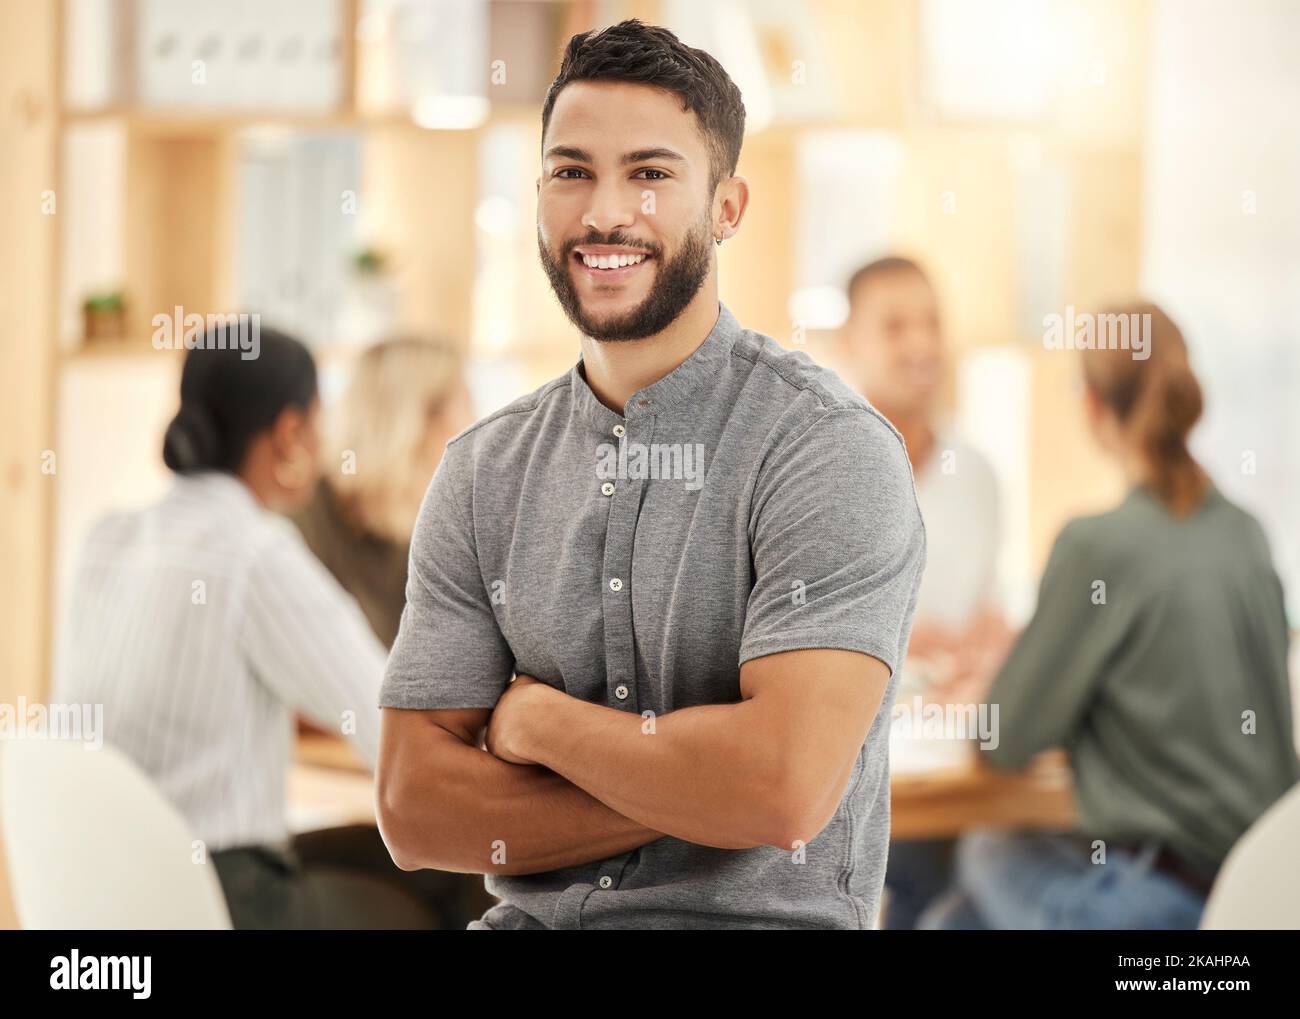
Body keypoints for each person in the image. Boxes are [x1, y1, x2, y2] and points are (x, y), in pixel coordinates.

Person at [375, 19, 927, 930]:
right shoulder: (482, 471)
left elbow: (784, 789)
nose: (605, 212)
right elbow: (413, 807)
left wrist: (539, 726)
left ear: (727, 207)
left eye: (651, 173)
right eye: (572, 171)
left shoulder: (826, 448)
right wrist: (703, 788)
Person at [52, 326, 460, 929]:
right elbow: (389, 726)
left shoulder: (106, 537)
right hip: (222, 898)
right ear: (291, 433)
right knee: (458, 882)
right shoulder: (254, 551)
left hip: (100, 889)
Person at [919, 302, 1300, 929]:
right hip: (1256, 900)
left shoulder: (1098, 545)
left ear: (1093, 408)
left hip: (1153, 909)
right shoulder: (1247, 534)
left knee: (983, 847)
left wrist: (998, 683)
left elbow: (1003, 741)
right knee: (957, 921)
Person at [838, 256, 1010, 929]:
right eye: (896, 326)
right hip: (867, 772)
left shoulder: (980, 475)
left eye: (932, 323)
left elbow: (990, 613)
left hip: (966, 761)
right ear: (850, 344)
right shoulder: (823, 477)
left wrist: (992, 647)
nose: (921, 343)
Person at [293, 336, 475, 648]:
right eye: (465, 406)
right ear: (416, 422)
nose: (477, 425)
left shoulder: (446, 528)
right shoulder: (305, 520)